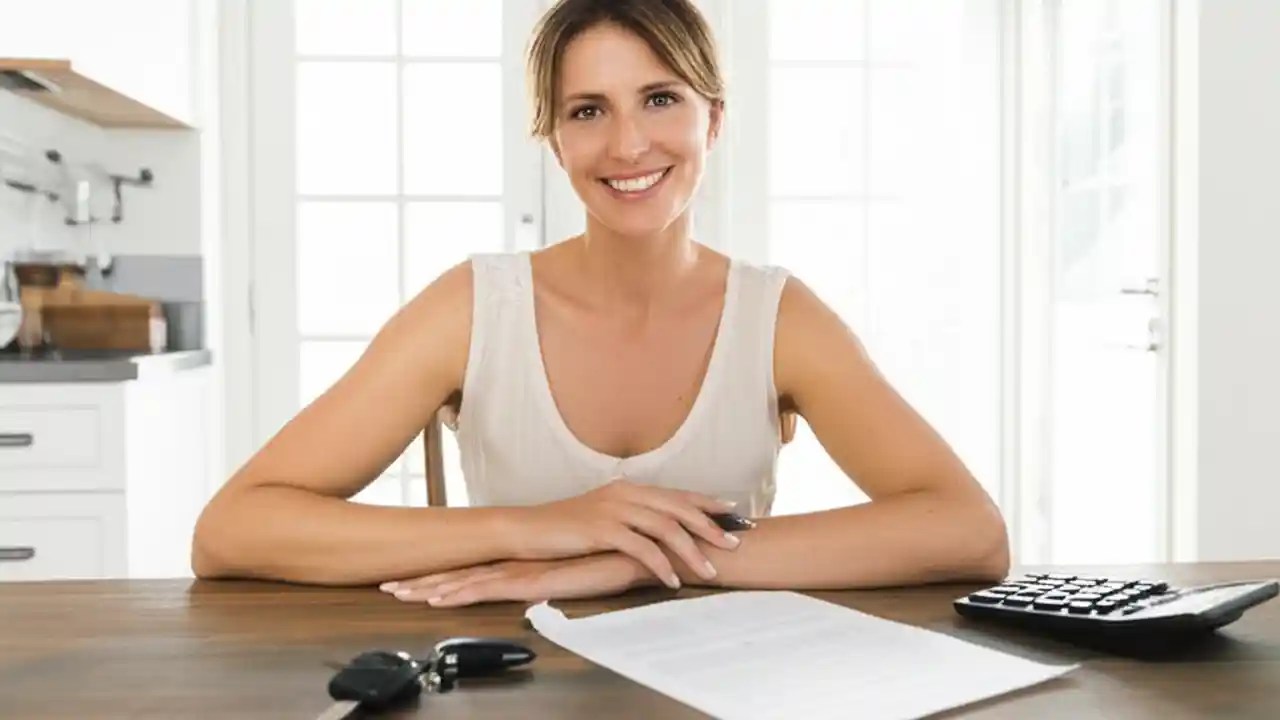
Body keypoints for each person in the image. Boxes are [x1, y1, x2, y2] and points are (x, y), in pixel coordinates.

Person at [192, 0, 1009, 606]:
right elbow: (232, 530)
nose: (626, 145)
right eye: (589, 111)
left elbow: (970, 532)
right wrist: (547, 526)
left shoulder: (778, 317)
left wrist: (638, 555)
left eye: (661, 99)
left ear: (713, 120)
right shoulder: (474, 307)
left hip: (728, 677)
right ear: (555, 140)